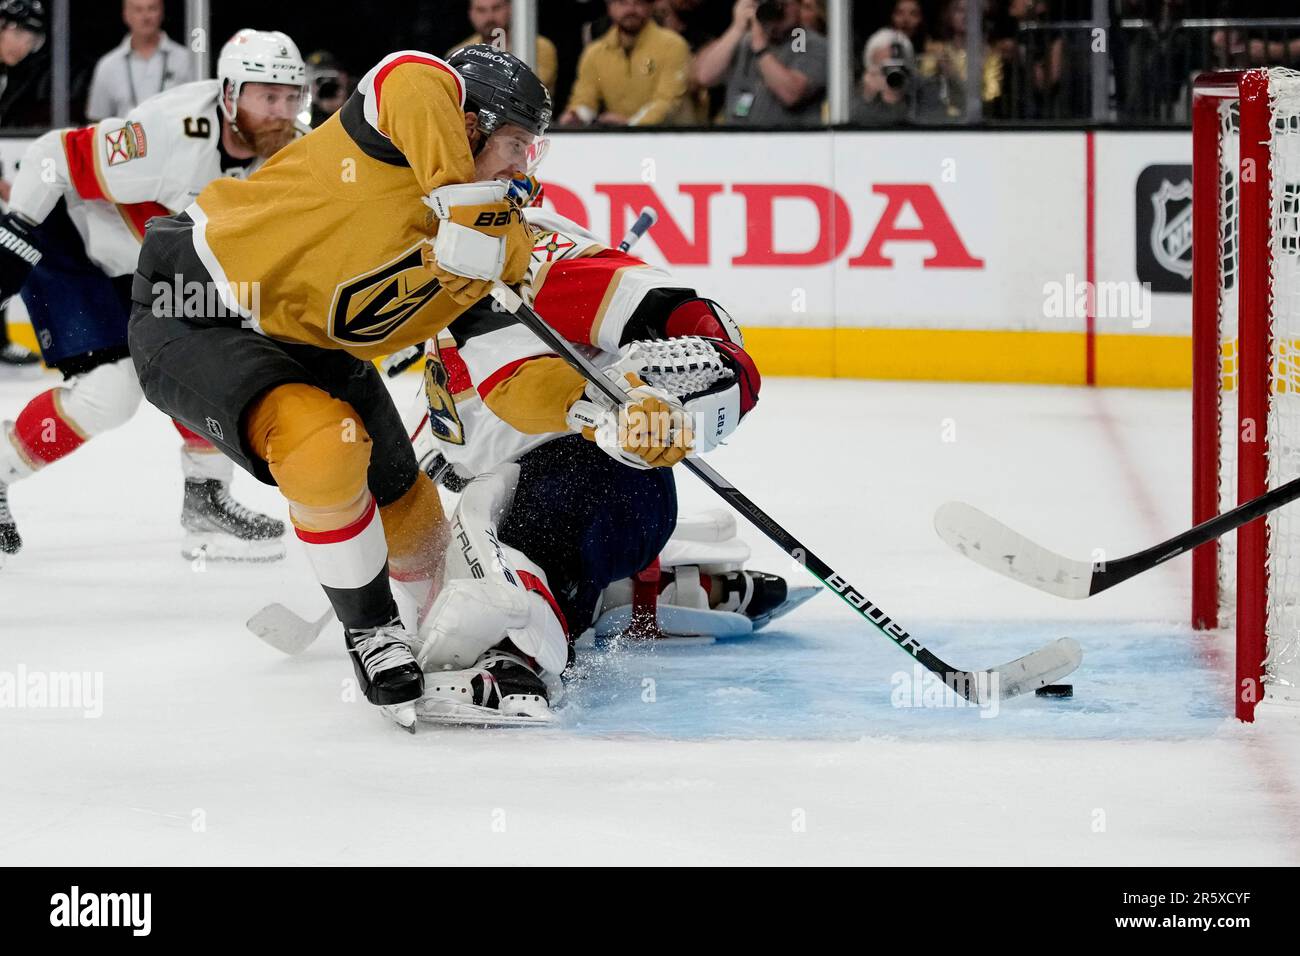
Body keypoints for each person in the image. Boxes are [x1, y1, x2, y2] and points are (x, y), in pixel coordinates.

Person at [126, 46, 552, 724]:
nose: (521, 165)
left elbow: (504, 353)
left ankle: (448, 632)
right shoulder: (411, 105)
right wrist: (465, 200)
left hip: (314, 340)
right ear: (471, 123)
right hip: (198, 307)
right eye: (513, 143)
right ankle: (372, 629)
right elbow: (413, 73)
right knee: (326, 448)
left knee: (411, 514)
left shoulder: (491, 235)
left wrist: (588, 406)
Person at [402, 202, 794, 724]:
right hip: (541, 484)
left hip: (601, 486)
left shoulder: (532, 251)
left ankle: (515, 649)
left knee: (492, 563)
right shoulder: (436, 258)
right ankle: (635, 589)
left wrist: (704, 376)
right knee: (456, 543)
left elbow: (672, 311)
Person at [0, 29, 304, 565]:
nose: (281, 111)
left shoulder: (295, 150)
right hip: (74, 245)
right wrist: (19, 228)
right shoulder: (168, 133)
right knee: (111, 393)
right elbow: (53, 154)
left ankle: (205, 500)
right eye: (267, 96)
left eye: (290, 96)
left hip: (154, 261)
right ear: (230, 94)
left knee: (209, 362)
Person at [693, 0, 827, 128]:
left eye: (783, 4)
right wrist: (737, 28)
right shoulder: (743, 41)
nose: (776, 10)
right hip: (737, 142)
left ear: (798, 6)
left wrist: (761, 48)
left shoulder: (812, 43)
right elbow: (704, 76)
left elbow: (791, 93)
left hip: (787, 142)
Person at [558, 0, 690, 127]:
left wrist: (630, 125)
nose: (631, 9)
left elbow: (668, 102)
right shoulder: (595, 52)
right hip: (617, 140)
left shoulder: (673, 45)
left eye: (639, 2)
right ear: (609, 6)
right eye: (622, 2)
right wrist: (576, 115)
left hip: (668, 140)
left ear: (651, 6)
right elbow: (585, 99)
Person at [85, 0, 194, 122]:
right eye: (138, 10)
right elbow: (97, 123)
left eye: (152, 9)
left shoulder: (185, 60)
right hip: (124, 140)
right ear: (126, 15)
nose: (145, 16)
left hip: (175, 139)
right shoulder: (108, 66)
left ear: (162, 13)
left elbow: (198, 112)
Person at [449, 0, 558, 95]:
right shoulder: (460, 52)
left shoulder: (537, 47)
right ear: (471, 14)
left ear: (510, 9)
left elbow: (528, 90)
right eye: (481, 10)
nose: (489, 17)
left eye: (496, 8)